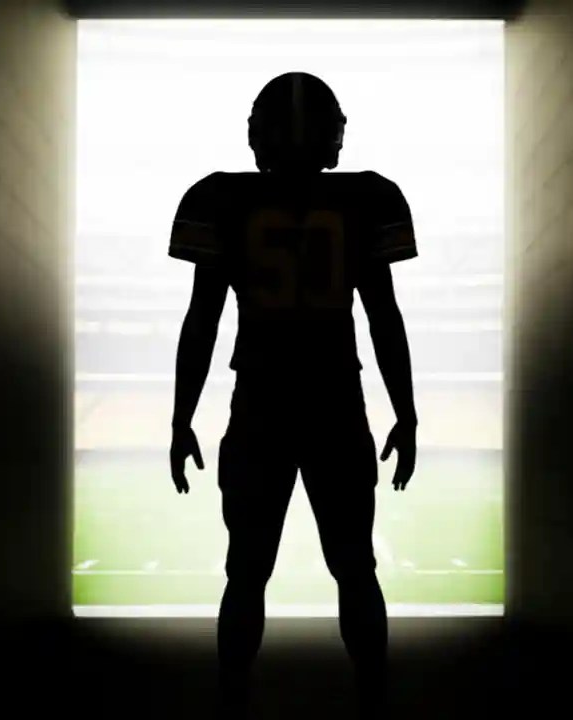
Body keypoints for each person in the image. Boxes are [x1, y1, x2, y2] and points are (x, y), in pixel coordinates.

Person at [168, 71, 418, 718]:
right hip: (336, 403)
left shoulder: (221, 199)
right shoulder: (368, 200)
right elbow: (383, 316)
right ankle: (373, 703)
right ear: (336, 138)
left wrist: (181, 417)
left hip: (261, 407)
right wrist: (407, 412)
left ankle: (232, 704)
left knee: (245, 572)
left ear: (258, 137)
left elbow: (203, 319)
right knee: (355, 568)